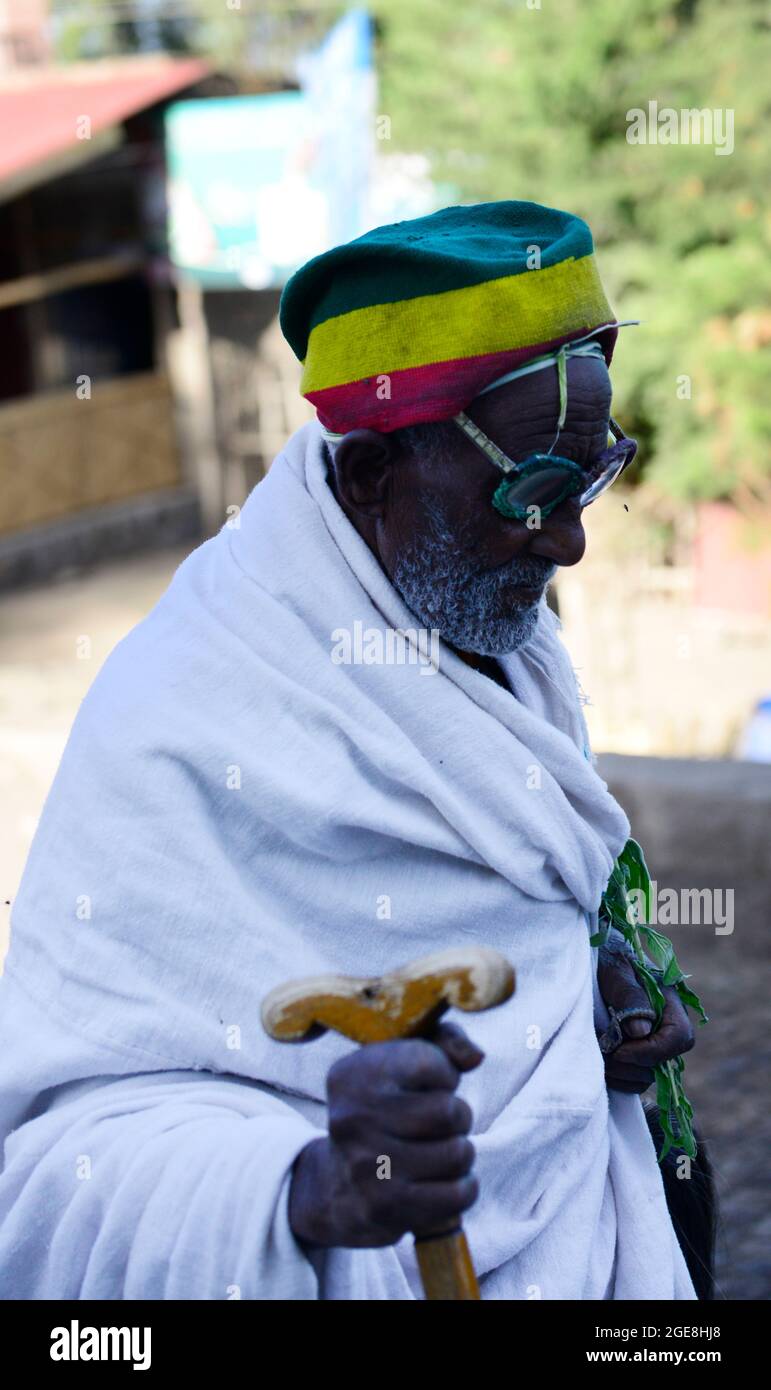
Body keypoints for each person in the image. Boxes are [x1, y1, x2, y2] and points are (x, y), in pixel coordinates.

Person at [0, 201, 700, 1300]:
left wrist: (586, 1000)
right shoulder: (176, 713)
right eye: (531, 492)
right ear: (372, 476)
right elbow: (55, 1156)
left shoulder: (493, 622)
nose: (569, 542)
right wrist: (305, 1190)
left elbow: (523, 914)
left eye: (590, 476)